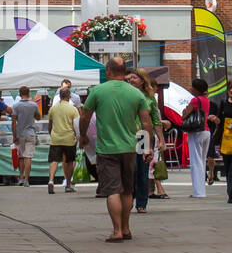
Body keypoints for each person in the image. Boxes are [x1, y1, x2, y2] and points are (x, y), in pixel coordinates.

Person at [77, 57, 154, 242]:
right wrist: (147, 146)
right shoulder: (136, 94)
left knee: (112, 191)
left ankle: (117, 230)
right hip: (130, 148)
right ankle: (126, 228)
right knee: (127, 191)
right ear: (124, 71)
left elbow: (85, 117)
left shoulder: (98, 91)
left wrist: (83, 135)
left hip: (107, 148)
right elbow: (146, 122)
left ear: (108, 71)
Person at [126, 69, 162, 213]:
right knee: (130, 170)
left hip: (143, 136)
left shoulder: (149, 98)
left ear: (142, 80)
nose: (130, 81)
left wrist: (161, 140)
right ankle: (129, 199)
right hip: (128, 135)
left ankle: (141, 203)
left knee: (142, 169)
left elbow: (155, 119)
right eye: (128, 79)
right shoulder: (125, 96)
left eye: (134, 78)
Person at [180, 77, 214, 199]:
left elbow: (184, 115)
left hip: (196, 132)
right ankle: (201, 190)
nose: (190, 89)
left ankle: (198, 192)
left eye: (192, 87)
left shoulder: (195, 100)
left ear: (196, 89)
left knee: (195, 162)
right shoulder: (206, 100)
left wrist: (184, 112)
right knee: (202, 161)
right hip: (206, 131)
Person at [46, 86, 80, 194]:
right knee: (69, 161)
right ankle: (68, 184)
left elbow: (50, 125)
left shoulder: (53, 108)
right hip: (69, 139)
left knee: (54, 161)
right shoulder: (73, 109)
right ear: (69, 96)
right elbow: (76, 126)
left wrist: (51, 133)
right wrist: (78, 137)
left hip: (56, 138)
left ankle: (51, 180)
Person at [12, 86, 40, 186]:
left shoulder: (15, 106)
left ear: (19, 94)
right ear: (29, 93)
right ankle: (27, 180)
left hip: (20, 134)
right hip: (31, 133)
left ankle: (21, 177)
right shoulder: (34, 105)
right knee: (28, 157)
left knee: (21, 157)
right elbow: (38, 117)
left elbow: (13, 122)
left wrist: (14, 135)